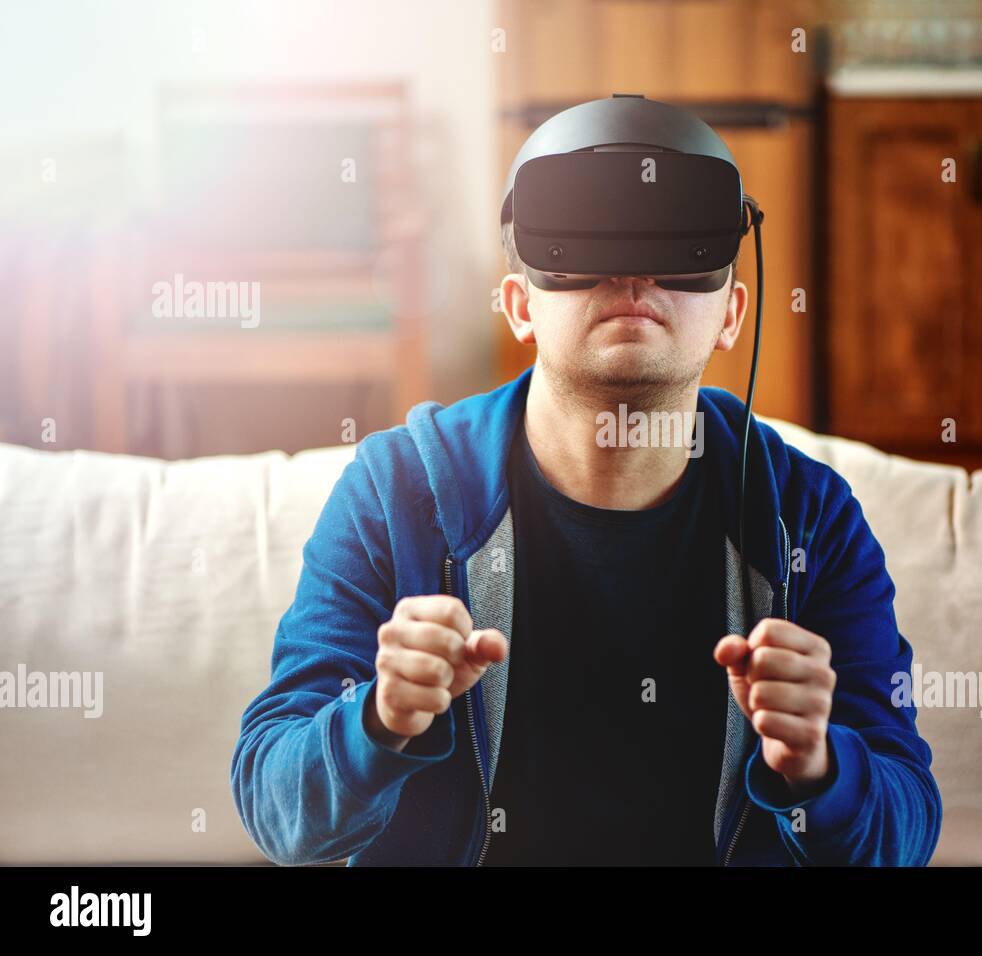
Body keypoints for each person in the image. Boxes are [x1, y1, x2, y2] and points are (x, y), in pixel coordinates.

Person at [231, 96, 942, 867]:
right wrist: (377, 720)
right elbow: (278, 811)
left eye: (671, 245)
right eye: (589, 245)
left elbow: (907, 829)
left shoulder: (807, 518)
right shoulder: (397, 493)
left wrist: (821, 768)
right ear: (518, 307)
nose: (632, 277)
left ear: (732, 314)